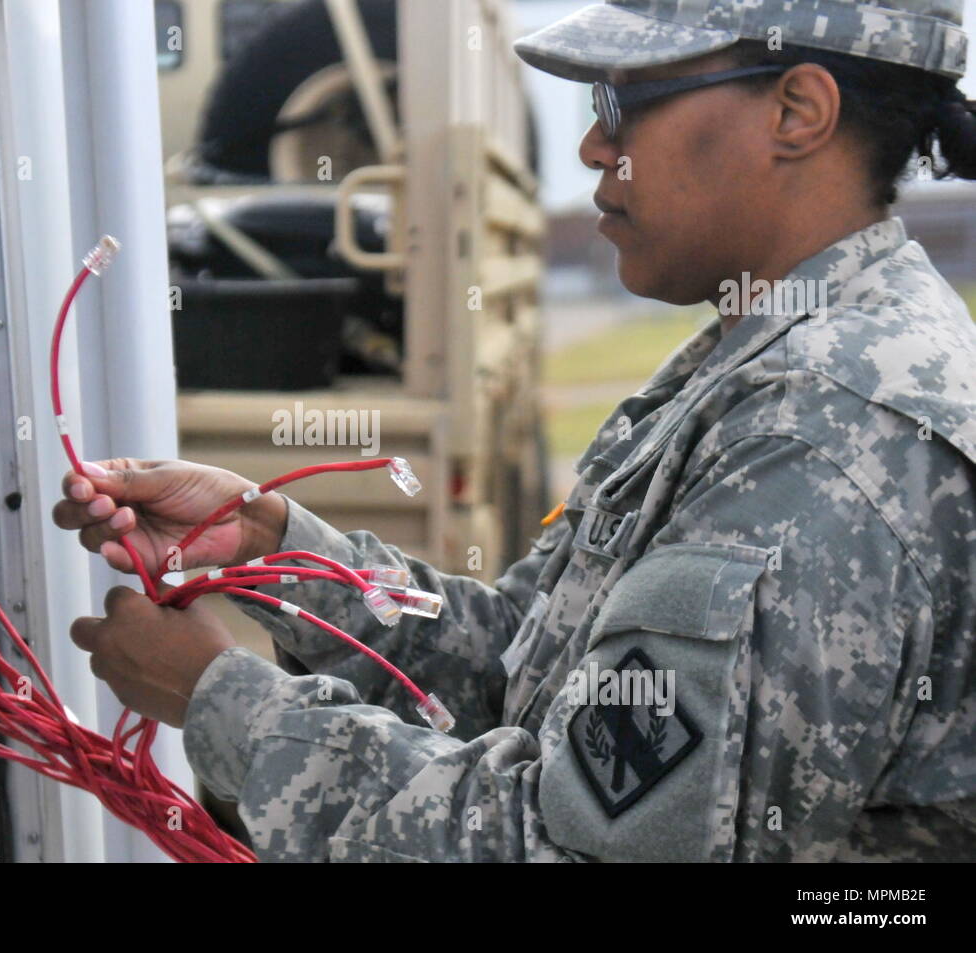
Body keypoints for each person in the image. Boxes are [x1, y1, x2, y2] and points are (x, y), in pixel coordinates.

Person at [51, 0, 976, 861]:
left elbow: (572, 845)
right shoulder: (757, 358)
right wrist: (283, 557)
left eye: (622, 102)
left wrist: (224, 704)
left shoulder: (825, 435)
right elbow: (526, 667)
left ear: (797, 112)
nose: (588, 145)